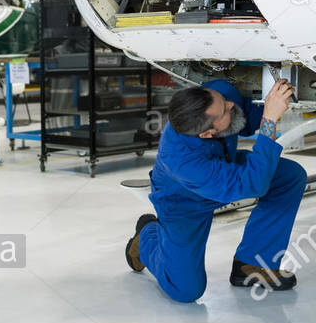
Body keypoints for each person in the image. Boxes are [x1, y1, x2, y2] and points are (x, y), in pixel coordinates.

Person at [124, 77, 306, 302]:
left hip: (223, 168)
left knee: (289, 176)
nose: (230, 104)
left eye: (224, 100)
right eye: (225, 110)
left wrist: (279, 97)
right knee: (186, 290)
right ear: (207, 134)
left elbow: (244, 118)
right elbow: (254, 184)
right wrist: (270, 119)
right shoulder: (182, 161)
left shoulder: (217, 96)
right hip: (184, 203)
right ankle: (146, 238)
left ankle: (254, 263)